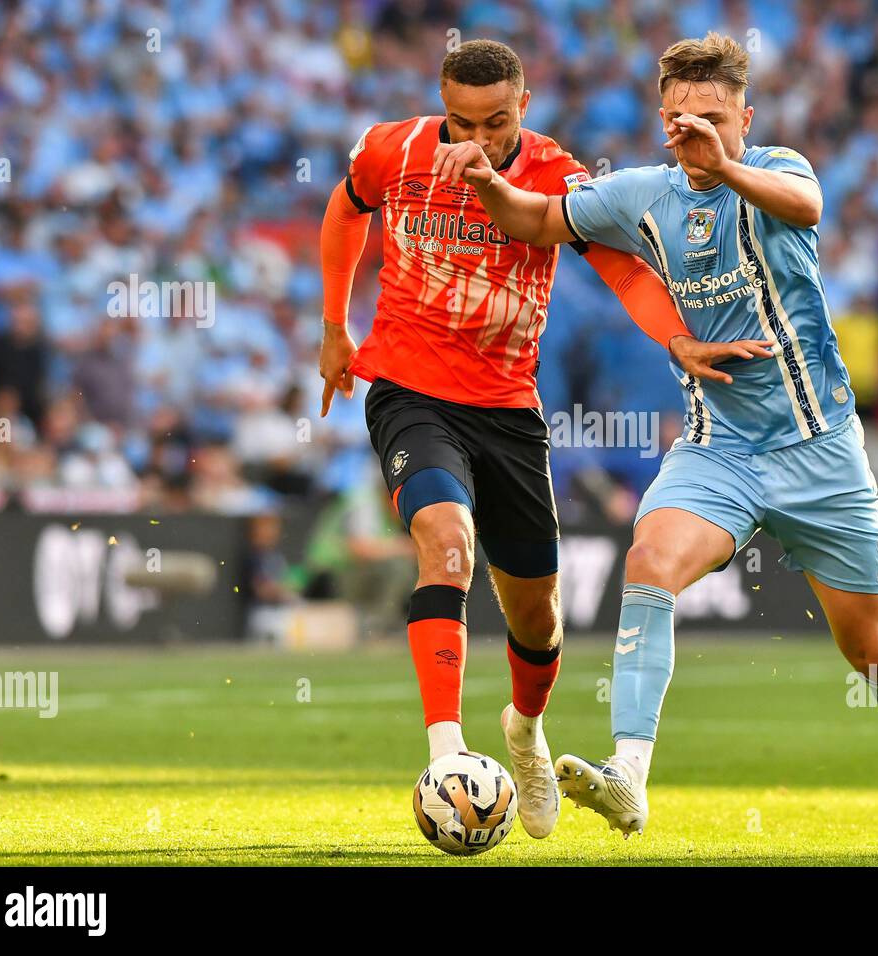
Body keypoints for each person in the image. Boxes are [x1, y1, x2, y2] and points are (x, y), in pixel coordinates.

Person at [436, 32, 878, 856]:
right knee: (648, 561)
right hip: (717, 450)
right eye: (682, 117)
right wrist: (487, 183)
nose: (696, 130)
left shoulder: (777, 170)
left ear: (745, 117)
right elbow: (539, 220)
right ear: (662, 118)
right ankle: (629, 776)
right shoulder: (641, 195)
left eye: (716, 117)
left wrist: (725, 166)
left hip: (819, 450)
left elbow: (809, 209)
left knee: (875, 650)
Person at [317, 39, 757, 840]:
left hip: (508, 408)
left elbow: (623, 269)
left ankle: (522, 730)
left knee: (537, 621)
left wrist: (676, 340)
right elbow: (347, 207)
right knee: (444, 540)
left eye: (494, 123)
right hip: (410, 391)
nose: (476, 141)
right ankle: (447, 754)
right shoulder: (397, 149)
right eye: (461, 123)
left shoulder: (555, 175)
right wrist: (333, 326)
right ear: (440, 106)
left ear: (523, 106)